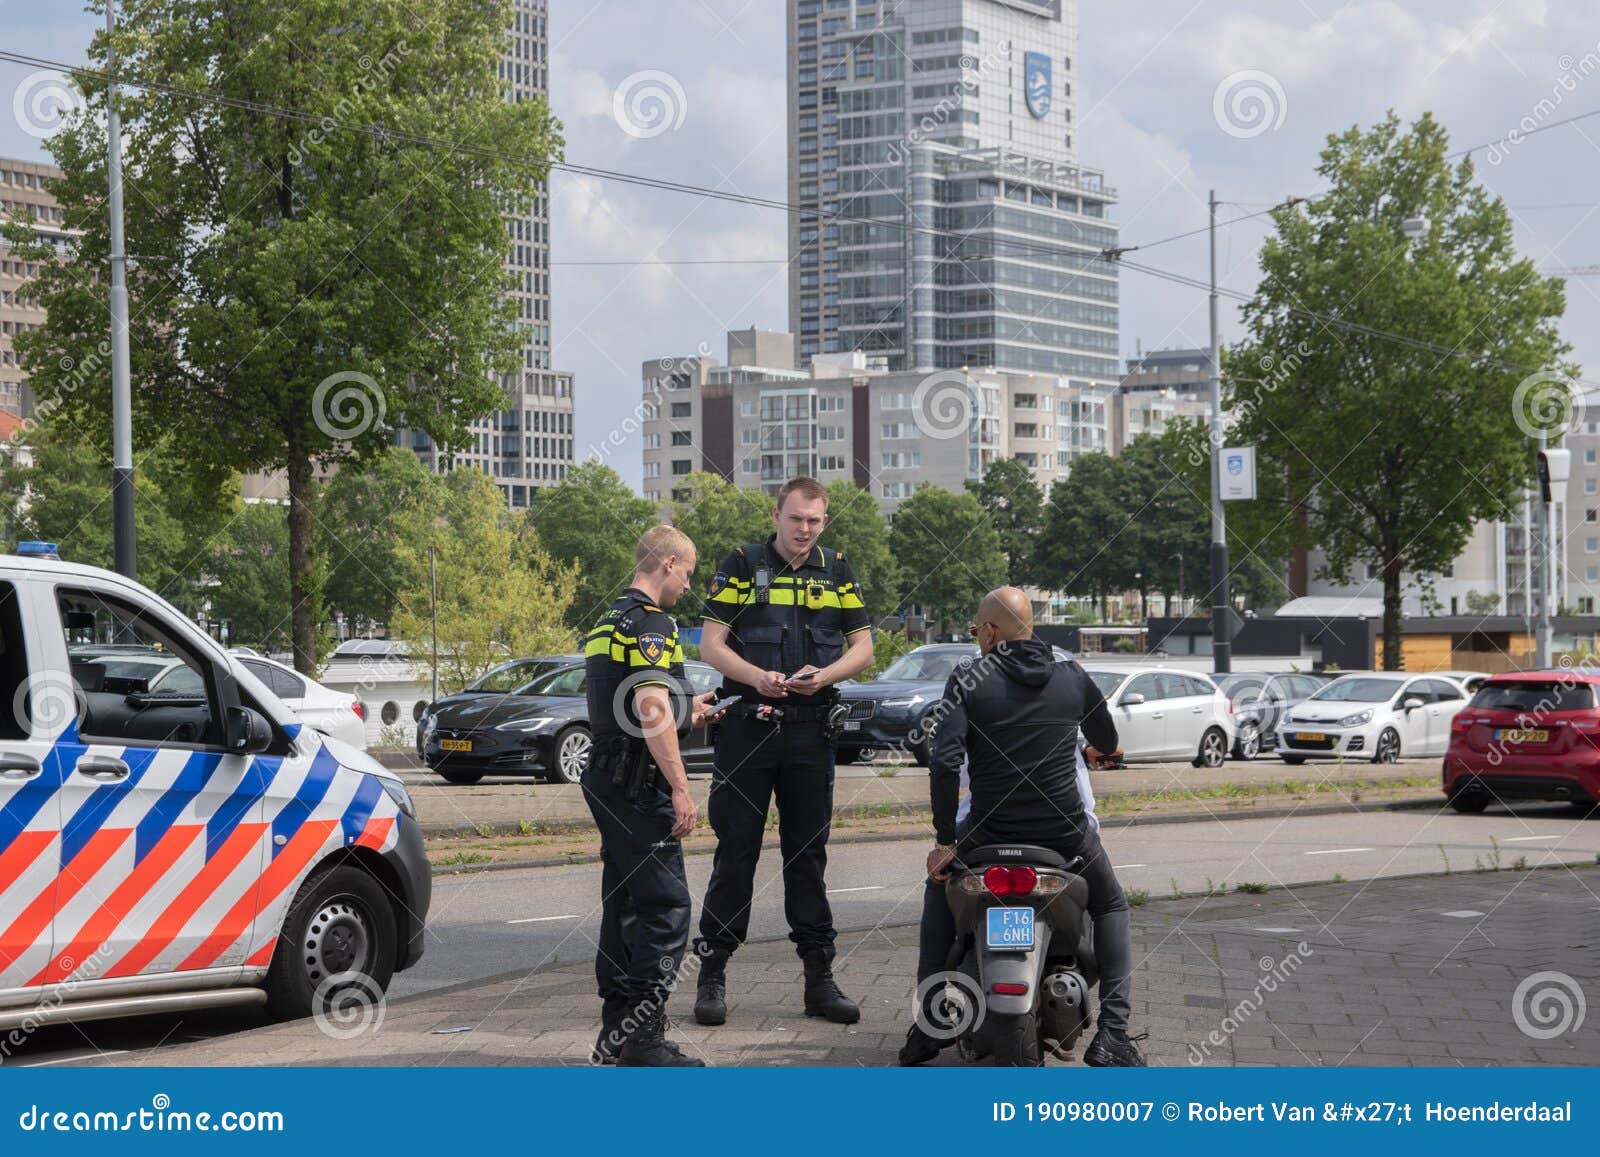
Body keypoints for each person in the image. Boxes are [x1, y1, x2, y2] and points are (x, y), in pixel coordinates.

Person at [901, 587, 1147, 1068]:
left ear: (991, 631)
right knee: (1113, 905)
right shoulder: (1071, 675)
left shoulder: (969, 678)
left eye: (977, 631)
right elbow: (1108, 740)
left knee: (937, 892)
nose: (977, 641)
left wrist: (945, 842)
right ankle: (1113, 1034)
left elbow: (945, 763)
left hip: (987, 834)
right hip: (1065, 834)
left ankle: (927, 1029)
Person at [691, 476, 875, 1026]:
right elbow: (711, 643)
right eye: (797, 519)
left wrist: (825, 676)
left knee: (808, 858)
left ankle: (819, 980)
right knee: (736, 854)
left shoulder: (838, 569)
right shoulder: (743, 565)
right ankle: (712, 975)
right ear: (777, 514)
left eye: (815, 521)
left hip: (810, 733)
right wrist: (756, 677)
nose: (805, 530)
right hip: (748, 730)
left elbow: (863, 647)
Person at [583, 525, 722, 1067]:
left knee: (625, 903)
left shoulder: (605, 621)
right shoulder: (652, 623)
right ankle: (642, 1041)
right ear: (667, 563)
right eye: (687, 573)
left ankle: (615, 1033)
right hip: (638, 783)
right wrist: (683, 787)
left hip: (606, 774)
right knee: (666, 909)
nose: (687, 586)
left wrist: (690, 707)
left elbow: (633, 700)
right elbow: (649, 709)